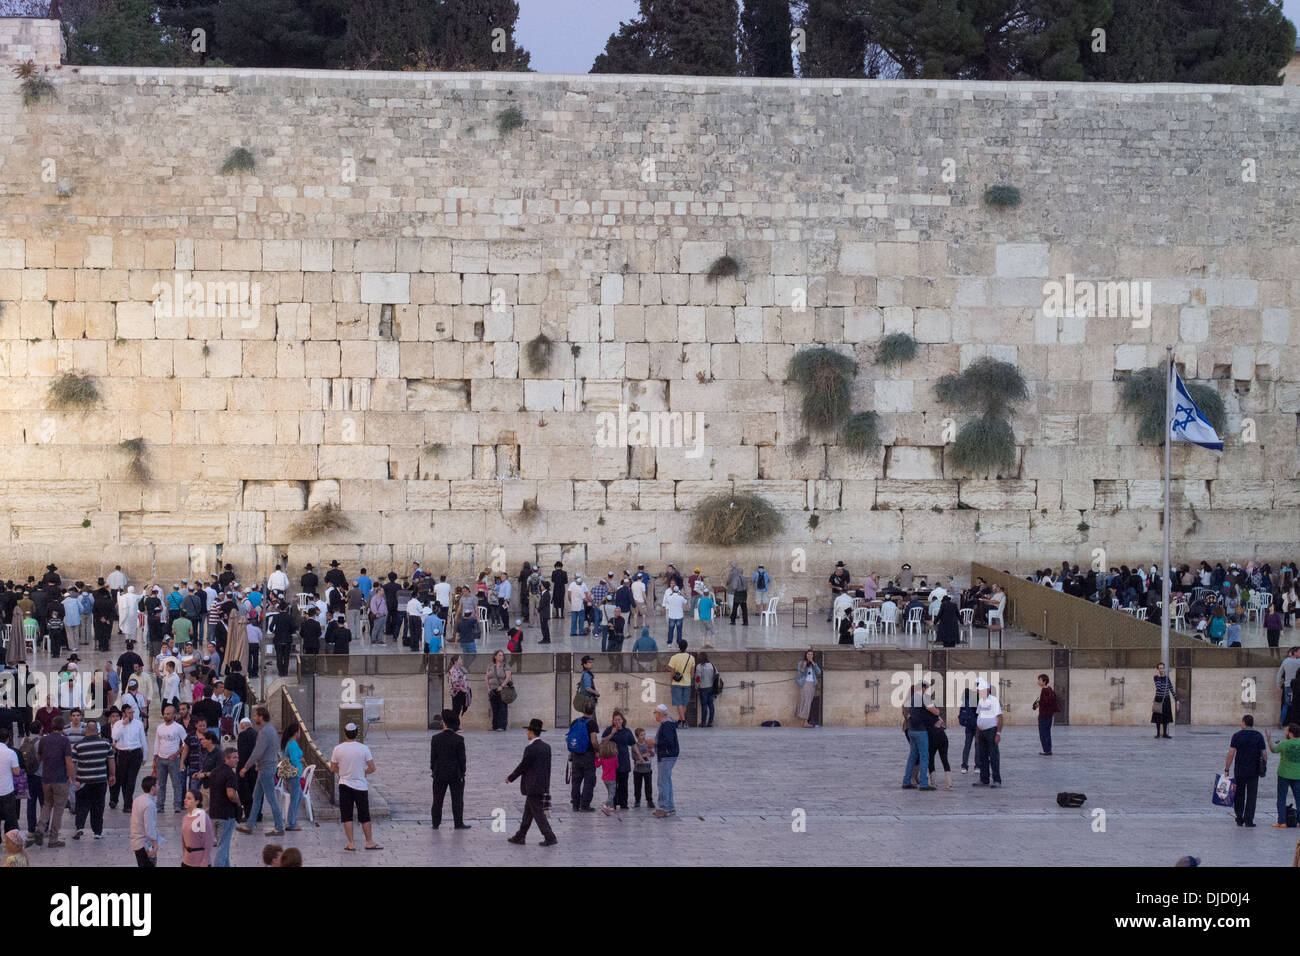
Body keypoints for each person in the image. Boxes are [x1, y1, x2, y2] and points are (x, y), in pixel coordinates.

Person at [505, 718, 556, 846]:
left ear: (531, 732)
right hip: (542, 785)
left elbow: (523, 766)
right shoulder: (547, 747)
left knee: (538, 813)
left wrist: (510, 778)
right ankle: (520, 836)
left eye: (528, 731)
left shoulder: (531, 749)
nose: (527, 733)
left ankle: (550, 837)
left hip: (532, 786)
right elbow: (548, 769)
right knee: (528, 813)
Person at [330, 722, 380, 851]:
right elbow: (372, 767)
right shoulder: (364, 748)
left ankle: (351, 843)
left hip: (344, 784)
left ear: (345, 733)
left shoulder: (338, 749)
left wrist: (343, 771)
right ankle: (369, 841)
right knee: (364, 815)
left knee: (347, 815)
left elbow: (333, 767)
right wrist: (363, 772)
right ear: (357, 733)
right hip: (360, 786)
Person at [238, 706, 285, 836]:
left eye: (255, 716)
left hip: (266, 769)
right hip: (266, 767)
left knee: (271, 799)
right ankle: (249, 825)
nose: (254, 718)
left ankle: (279, 827)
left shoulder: (264, 732)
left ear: (261, 716)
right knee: (256, 798)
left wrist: (245, 767)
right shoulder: (271, 729)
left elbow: (257, 752)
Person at [70, 721, 114, 841]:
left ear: (86, 731)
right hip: (100, 780)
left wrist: (73, 780)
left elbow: (73, 764)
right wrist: (112, 775)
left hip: (83, 781)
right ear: (97, 731)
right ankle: (97, 832)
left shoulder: (78, 745)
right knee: (98, 806)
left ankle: (79, 827)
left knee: (82, 805)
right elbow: (111, 760)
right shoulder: (106, 743)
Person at [35, 715, 72, 848]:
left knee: (47, 804)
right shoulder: (65, 741)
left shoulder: (44, 740)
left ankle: (40, 829)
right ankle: (53, 839)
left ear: (52, 725)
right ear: (63, 726)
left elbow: (38, 758)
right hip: (60, 779)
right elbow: (68, 760)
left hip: (46, 778)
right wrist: (72, 777)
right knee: (58, 809)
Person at [429, 709, 469, 830]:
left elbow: (433, 758)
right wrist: (462, 771)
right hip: (455, 774)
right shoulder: (459, 740)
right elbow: (462, 759)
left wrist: (434, 770)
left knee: (437, 799)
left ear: (444, 723)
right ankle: (458, 823)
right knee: (457, 799)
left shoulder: (435, 738)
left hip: (439, 773)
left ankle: (435, 823)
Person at [1225, 715, 1266, 828]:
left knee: (1239, 794)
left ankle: (1239, 817)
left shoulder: (1237, 736)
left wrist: (1227, 769)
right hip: (1254, 770)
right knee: (1252, 795)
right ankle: (1249, 820)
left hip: (1240, 770)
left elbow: (1231, 753)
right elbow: (1264, 753)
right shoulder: (1258, 736)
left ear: (1243, 722)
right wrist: (1264, 766)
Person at [151, 704, 187, 813]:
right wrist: (154, 758)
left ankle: (177, 805)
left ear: (174, 715)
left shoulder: (178, 727)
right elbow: (157, 743)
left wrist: (177, 754)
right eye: (165, 714)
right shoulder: (160, 727)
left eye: (168, 714)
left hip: (173, 760)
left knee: (176, 784)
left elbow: (186, 743)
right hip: (161, 759)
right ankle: (159, 806)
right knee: (161, 784)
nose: (166, 715)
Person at [903, 683, 940, 791]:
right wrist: (937, 711)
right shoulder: (922, 698)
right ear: (923, 688)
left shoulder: (913, 698)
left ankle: (907, 781)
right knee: (924, 756)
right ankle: (923, 783)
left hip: (911, 730)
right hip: (920, 731)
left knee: (912, 756)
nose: (926, 690)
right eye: (926, 688)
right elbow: (934, 710)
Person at [208, 748, 240, 867]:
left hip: (214, 813)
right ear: (226, 759)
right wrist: (238, 802)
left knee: (224, 847)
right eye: (234, 757)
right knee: (222, 848)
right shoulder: (230, 774)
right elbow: (231, 794)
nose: (237, 760)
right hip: (226, 815)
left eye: (237, 757)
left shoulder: (215, 772)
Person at [600, 709, 636, 811]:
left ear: (622, 720)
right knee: (613, 785)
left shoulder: (627, 731)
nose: (617, 722)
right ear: (613, 721)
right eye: (615, 720)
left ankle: (624, 804)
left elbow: (633, 744)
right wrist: (611, 734)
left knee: (624, 784)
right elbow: (602, 741)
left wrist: (639, 755)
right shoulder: (609, 729)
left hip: (624, 761)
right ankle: (613, 804)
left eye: (619, 720)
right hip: (612, 762)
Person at [568, 701, 599, 812]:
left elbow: (570, 738)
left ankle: (575, 805)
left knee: (576, 781)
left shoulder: (575, 722)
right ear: (593, 711)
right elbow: (594, 740)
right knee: (589, 781)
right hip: (588, 755)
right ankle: (585, 805)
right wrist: (597, 750)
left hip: (576, 755)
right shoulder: (592, 723)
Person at [1268, 723, 1300, 828]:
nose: (1284, 732)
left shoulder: (1284, 744)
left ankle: (1282, 822)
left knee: (1281, 798)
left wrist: (1269, 740)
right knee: (1298, 798)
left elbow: (1273, 750)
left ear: (1290, 733)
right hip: (1298, 775)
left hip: (1284, 774)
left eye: (1286, 731)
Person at [973, 678, 1003, 788]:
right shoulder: (980, 701)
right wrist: (977, 734)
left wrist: (998, 733)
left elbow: (1000, 717)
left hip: (991, 731)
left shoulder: (994, 700)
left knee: (993, 756)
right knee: (982, 756)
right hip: (982, 732)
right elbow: (979, 717)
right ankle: (984, 779)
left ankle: (997, 780)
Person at [652, 704, 679, 818]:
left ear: (660, 714)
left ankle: (664, 808)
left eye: (655, 713)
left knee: (663, 782)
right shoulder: (667, 724)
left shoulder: (666, 725)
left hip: (666, 756)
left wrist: (654, 743)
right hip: (669, 755)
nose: (654, 715)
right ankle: (670, 807)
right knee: (667, 781)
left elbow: (669, 741)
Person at [129, 776, 161, 867]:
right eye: (157, 785)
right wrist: (155, 846)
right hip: (144, 844)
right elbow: (150, 828)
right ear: (152, 788)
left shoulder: (137, 799)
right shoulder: (149, 804)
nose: (159, 787)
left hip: (136, 841)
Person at [281, 723, 305, 831]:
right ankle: (292, 823)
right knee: (295, 798)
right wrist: (301, 761)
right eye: (299, 731)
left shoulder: (289, 744)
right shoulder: (293, 744)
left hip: (293, 775)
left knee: (298, 796)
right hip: (294, 775)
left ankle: (292, 820)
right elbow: (294, 760)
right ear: (296, 733)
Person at [180, 789, 213, 867]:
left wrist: (204, 861)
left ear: (197, 801)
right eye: (185, 798)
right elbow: (183, 840)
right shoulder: (185, 817)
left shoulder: (203, 817)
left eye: (189, 798)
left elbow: (208, 841)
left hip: (200, 862)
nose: (185, 800)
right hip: (187, 860)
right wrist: (184, 856)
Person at [667, 639, 695, 726]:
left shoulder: (674, 658)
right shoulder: (691, 658)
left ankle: (683, 721)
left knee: (678, 703)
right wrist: (687, 677)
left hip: (676, 683)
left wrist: (671, 681)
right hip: (687, 683)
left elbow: (672, 672)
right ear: (686, 647)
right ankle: (680, 721)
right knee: (684, 703)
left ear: (679, 647)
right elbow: (692, 674)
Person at [1032, 674, 1060, 756]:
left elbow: (1044, 702)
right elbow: (1051, 700)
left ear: (1044, 681)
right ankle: (1048, 749)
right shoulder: (1050, 689)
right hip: (1049, 715)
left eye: (1039, 680)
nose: (1038, 681)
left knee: (1043, 733)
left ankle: (1046, 750)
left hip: (1043, 715)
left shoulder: (1044, 690)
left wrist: (1038, 703)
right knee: (1047, 733)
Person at [486, 650, 512, 732]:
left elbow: (508, 678)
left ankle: (502, 726)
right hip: (493, 690)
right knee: (494, 708)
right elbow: (486, 677)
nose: (501, 657)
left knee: (502, 708)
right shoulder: (491, 666)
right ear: (495, 656)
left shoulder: (505, 666)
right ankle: (495, 726)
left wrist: (502, 686)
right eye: (499, 655)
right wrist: (488, 688)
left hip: (502, 690)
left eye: (502, 655)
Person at [0, 730, 18, 839]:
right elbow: (16, 772)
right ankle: (10, 841)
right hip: (6, 790)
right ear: (8, 739)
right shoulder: (10, 753)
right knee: (10, 818)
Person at [1153, 662, 1177, 739]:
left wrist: (1176, 699)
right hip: (1158, 699)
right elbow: (1159, 687)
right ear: (1157, 669)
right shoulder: (1156, 677)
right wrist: (1160, 676)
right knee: (1158, 718)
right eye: (1160, 668)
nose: (1161, 670)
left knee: (1166, 717)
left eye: (1162, 668)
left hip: (1166, 699)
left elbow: (1171, 689)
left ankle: (1165, 734)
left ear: (1164, 668)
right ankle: (1157, 733)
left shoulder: (1167, 678)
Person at [796, 650, 820, 728]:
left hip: (812, 684)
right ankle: (805, 721)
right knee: (806, 701)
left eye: (811, 654)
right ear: (806, 655)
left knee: (809, 701)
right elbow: (800, 674)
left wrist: (814, 663)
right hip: (805, 683)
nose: (810, 655)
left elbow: (819, 672)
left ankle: (804, 720)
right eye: (808, 654)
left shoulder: (813, 664)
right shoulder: (801, 663)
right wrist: (804, 666)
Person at [632, 727, 654, 808]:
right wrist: (642, 756)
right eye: (641, 735)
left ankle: (649, 800)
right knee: (637, 786)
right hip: (638, 770)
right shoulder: (634, 746)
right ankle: (637, 800)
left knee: (648, 786)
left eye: (644, 734)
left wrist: (650, 751)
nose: (643, 736)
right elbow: (634, 757)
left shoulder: (647, 744)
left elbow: (653, 754)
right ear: (637, 737)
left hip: (647, 769)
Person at [596, 738, 619, 815]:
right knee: (612, 794)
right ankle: (605, 806)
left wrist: (596, 758)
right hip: (612, 778)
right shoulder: (615, 758)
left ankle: (611, 807)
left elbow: (597, 765)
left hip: (604, 778)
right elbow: (617, 766)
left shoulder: (602, 759)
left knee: (609, 793)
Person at [695, 653, 717, 728]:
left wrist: (696, 687)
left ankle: (703, 723)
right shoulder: (712, 665)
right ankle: (710, 722)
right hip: (711, 688)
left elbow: (698, 678)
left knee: (704, 706)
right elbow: (716, 675)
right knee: (711, 705)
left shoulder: (699, 666)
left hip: (703, 688)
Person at [1279, 648, 1300, 726]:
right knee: (1295, 704)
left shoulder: (1286, 661)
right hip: (1297, 686)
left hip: (1287, 686)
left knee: (1286, 704)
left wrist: (1278, 683)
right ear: (1294, 653)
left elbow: (1279, 673)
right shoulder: (1299, 661)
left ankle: (1281, 722)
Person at [448, 655, 471, 721]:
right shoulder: (454, 671)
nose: (461, 660)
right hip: (457, 692)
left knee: (458, 709)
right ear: (456, 662)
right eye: (460, 659)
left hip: (460, 692)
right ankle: (454, 727)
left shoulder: (459, 669)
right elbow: (454, 684)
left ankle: (455, 726)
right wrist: (462, 689)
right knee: (456, 709)